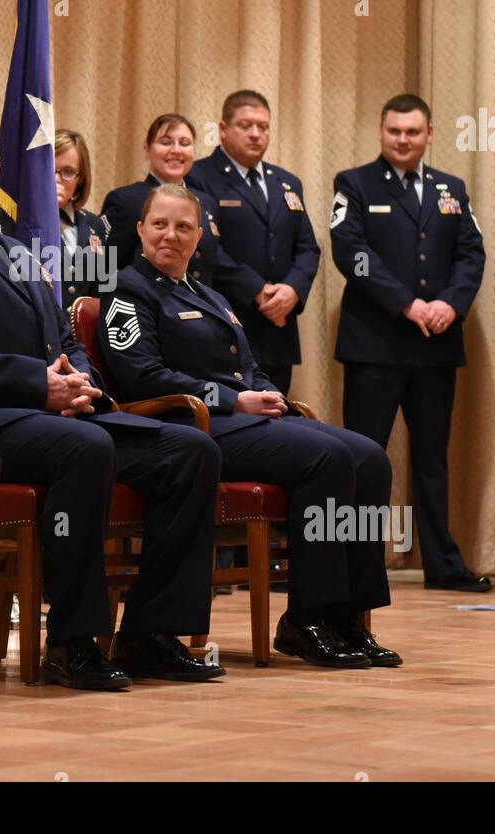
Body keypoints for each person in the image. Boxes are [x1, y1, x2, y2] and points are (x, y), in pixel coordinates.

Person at [0, 116, 224, 689]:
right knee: (81, 449)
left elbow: (68, 338)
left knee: (191, 451)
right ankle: (74, 641)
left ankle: (151, 633)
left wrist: (81, 383)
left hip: (51, 414)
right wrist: (39, 384)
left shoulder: (16, 250)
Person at [99, 185, 399, 668]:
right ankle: (307, 617)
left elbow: (250, 365)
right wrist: (233, 399)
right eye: (159, 225)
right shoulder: (127, 289)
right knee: (328, 458)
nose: (169, 236)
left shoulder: (209, 294)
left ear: (199, 236)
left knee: (371, 458)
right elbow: (141, 375)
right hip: (191, 427)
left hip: (242, 423)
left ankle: (348, 615)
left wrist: (267, 395)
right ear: (140, 230)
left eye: (182, 227)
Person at [328, 94, 490, 593]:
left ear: (429, 134)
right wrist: (406, 303)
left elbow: (472, 253)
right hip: (374, 345)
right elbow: (350, 252)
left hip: (435, 345)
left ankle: (442, 563)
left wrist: (451, 304)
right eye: (395, 131)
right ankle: (357, 565)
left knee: (433, 458)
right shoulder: (353, 184)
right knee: (365, 457)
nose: (403, 140)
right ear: (380, 132)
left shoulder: (452, 188)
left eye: (413, 132)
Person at [187, 90, 320, 393]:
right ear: (223, 129)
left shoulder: (286, 182)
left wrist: (292, 291)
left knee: (278, 425)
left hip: (278, 327)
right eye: (245, 126)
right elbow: (202, 247)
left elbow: (308, 247)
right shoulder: (198, 176)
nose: (256, 134)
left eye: (263, 127)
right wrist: (257, 290)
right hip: (226, 322)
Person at [100, 113, 237, 289]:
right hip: (146, 308)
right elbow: (103, 269)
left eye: (185, 143)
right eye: (166, 142)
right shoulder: (126, 200)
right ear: (146, 149)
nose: (176, 150)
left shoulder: (206, 202)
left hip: (198, 309)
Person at [0, 130, 111, 304]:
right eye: (48, 169)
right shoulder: (7, 217)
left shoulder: (94, 224)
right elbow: (2, 285)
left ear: (80, 178)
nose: (55, 180)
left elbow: (106, 288)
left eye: (68, 171)